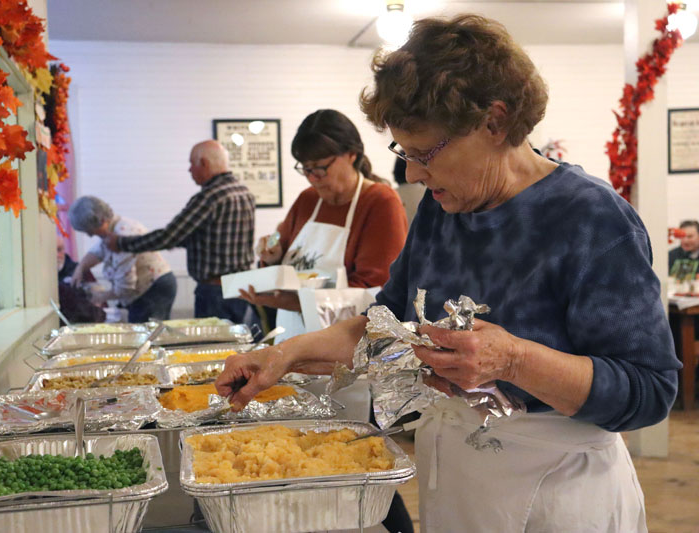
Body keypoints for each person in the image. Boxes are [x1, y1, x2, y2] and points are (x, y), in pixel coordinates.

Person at [217, 15, 681, 532]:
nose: (412, 174)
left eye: (424, 153)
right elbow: (382, 326)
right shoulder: (444, 209)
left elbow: (649, 390)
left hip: (558, 494)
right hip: (461, 479)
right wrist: (283, 356)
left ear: (495, 121)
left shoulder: (591, 219)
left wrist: (514, 359)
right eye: (403, 153)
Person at [240, 109, 408, 341]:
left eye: (319, 167)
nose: (312, 178)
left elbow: (376, 292)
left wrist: (294, 302)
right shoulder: (307, 200)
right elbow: (280, 259)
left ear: (351, 154)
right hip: (292, 337)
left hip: (345, 343)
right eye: (305, 169)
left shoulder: (380, 202)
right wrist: (272, 256)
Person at [105, 140, 259, 328]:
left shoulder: (209, 197)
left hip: (214, 290)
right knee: (234, 343)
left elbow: (169, 236)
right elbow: (206, 237)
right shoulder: (245, 192)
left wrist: (122, 243)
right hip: (240, 288)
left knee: (211, 348)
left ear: (204, 163)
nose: (189, 170)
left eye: (191, 164)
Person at [69, 196, 176, 322]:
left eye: (90, 231)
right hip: (149, 288)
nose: (90, 235)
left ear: (102, 220)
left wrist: (99, 297)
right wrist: (80, 268)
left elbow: (125, 286)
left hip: (153, 289)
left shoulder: (122, 233)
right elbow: (98, 251)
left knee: (147, 336)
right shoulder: (112, 227)